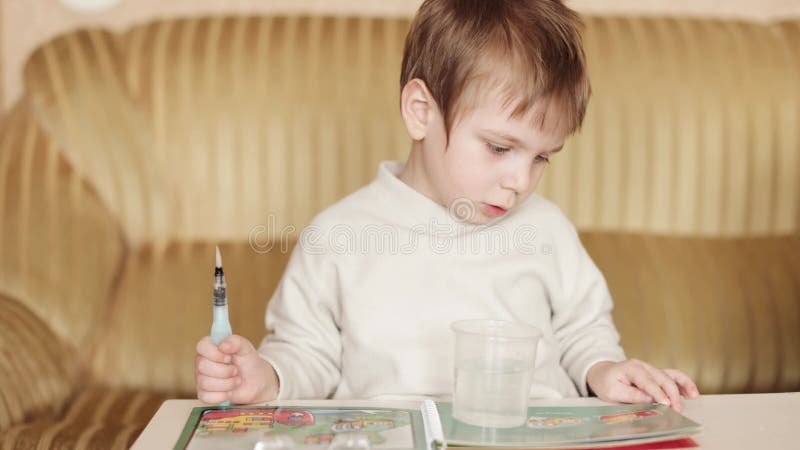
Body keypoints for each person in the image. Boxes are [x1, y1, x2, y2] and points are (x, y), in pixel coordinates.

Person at [195, 0, 700, 412]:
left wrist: (606, 372)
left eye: (542, 156)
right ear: (421, 113)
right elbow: (306, 352)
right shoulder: (338, 236)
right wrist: (265, 377)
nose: (521, 180)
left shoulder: (546, 229)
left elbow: (582, 331)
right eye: (500, 148)